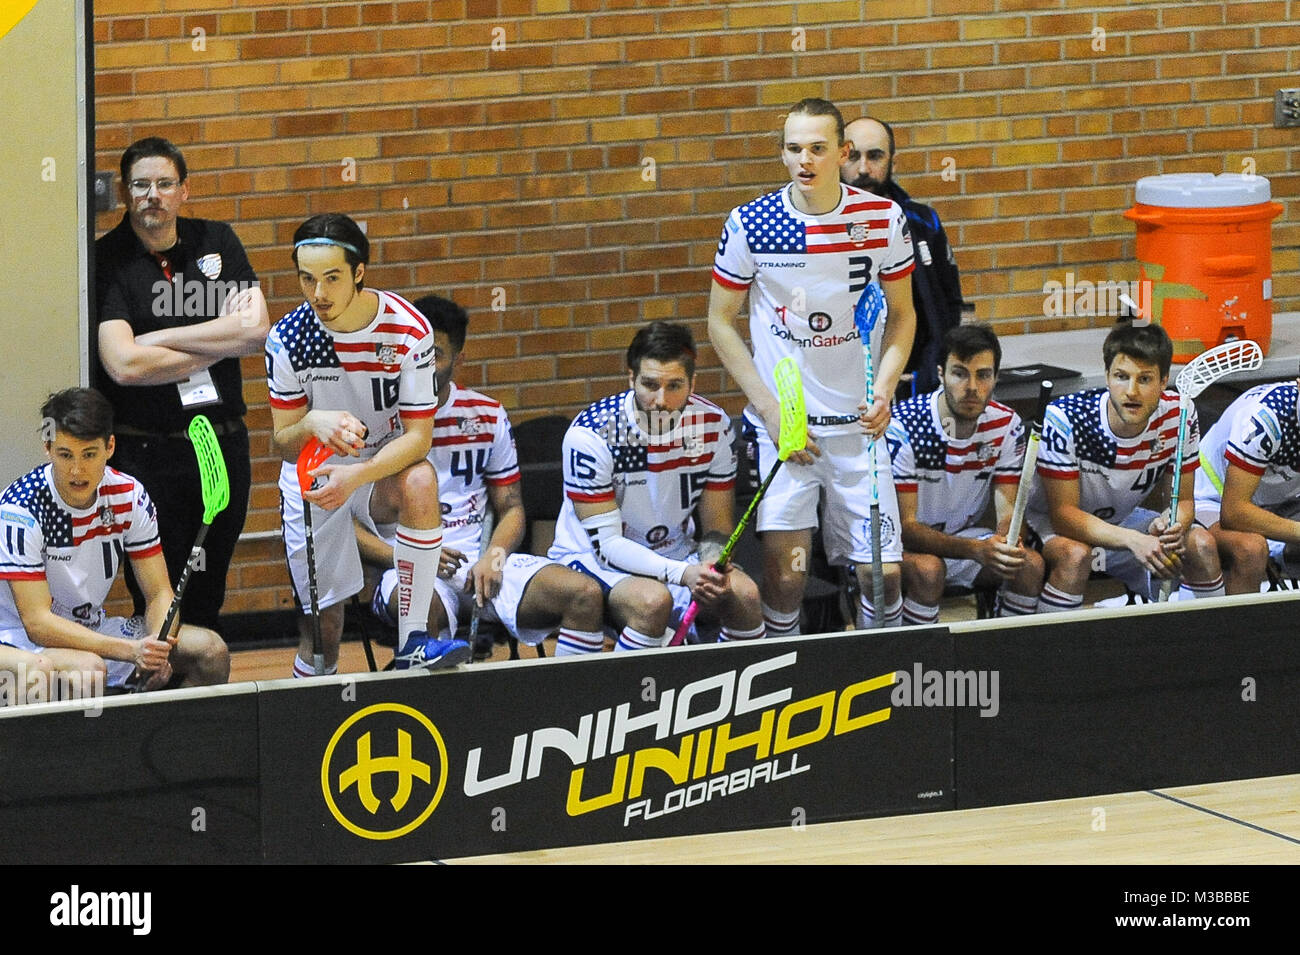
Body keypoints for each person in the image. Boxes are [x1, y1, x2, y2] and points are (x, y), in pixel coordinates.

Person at [708, 97, 918, 634]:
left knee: (883, 577)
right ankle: (782, 694)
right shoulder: (751, 222)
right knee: (786, 579)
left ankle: (884, 692)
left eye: (818, 148)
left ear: (842, 153)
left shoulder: (881, 219)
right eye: (794, 148)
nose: (805, 160)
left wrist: (887, 386)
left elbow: (903, 315)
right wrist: (772, 411)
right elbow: (719, 322)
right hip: (790, 428)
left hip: (860, 432)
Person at [266, 213, 466, 675]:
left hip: (375, 472)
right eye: (307, 279)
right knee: (323, 635)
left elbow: (419, 438)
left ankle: (414, 640)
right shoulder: (289, 339)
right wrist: (314, 422)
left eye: (332, 278)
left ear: (359, 273)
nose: (319, 293)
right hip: (313, 479)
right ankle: (312, 711)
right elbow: (283, 443)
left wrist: (356, 472)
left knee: (420, 478)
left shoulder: (407, 330)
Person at [357, 295, 606, 654]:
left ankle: (571, 706)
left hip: (481, 564)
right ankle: (439, 703)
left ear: (459, 359)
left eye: (435, 355)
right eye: (414, 353)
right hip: (406, 568)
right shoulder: (371, 420)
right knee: (419, 607)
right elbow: (345, 525)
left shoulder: (486, 415)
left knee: (584, 594)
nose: (421, 365)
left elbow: (512, 508)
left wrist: (495, 555)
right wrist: (405, 556)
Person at [95, 136, 269, 636]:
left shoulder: (216, 240)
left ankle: (200, 693)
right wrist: (222, 339)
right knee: (154, 590)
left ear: (184, 190)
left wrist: (164, 335)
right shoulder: (108, 259)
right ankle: (159, 695)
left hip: (220, 440)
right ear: (127, 193)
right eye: (141, 185)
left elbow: (256, 330)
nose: (154, 194)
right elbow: (124, 364)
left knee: (208, 587)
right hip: (146, 451)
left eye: (165, 184)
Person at [548, 322, 764, 652]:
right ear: (630, 378)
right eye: (650, 384)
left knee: (745, 595)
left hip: (679, 557)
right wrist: (683, 574)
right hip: (593, 561)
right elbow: (607, 546)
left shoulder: (713, 425)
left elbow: (717, 525)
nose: (660, 400)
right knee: (652, 601)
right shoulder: (592, 434)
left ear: (693, 382)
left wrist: (711, 565)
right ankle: (627, 702)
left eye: (675, 385)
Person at [0, 388, 228, 691]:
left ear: (110, 446)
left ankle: (169, 738)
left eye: (89, 454)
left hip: (93, 628)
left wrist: (158, 647)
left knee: (210, 651)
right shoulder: (22, 508)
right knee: (88, 671)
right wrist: (130, 652)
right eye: (65, 455)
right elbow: (37, 623)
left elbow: (159, 593)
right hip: (17, 637)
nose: (77, 470)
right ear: (48, 447)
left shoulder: (129, 496)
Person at [1027, 324, 1225, 610]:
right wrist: (1134, 541)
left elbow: (1183, 500)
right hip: (1056, 529)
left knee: (1201, 545)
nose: (1131, 391)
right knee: (1076, 555)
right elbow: (1064, 516)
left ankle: (1216, 643)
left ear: (1164, 380)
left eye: (1145, 379)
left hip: (1123, 523)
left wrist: (1172, 525)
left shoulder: (1180, 412)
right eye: (1121, 377)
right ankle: (1052, 651)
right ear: (1107, 377)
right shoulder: (1065, 418)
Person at [887, 325, 1044, 624]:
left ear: (996, 378)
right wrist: (976, 550)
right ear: (940, 374)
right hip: (906, 548)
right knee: (928, 570)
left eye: (983, 375)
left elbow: (1008, 512)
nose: (972, 387)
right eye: (960, 373)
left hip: (964, 542)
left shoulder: (1006, 424)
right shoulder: (905, 426)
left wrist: (1007, 543)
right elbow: (906, 528)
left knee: (1030, 565)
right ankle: (918, 664)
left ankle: (1010, 657)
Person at [841, 116, 965, 395]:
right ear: (839, 159)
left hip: (915, 387)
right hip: (842, 387)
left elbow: (949, 305)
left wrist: (929, 373)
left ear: (893, 163)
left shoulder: (923, 222)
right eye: (853, 156)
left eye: (875, 156)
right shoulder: (818, 229)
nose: (863, 168)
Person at [1192, 379, 1300, 594]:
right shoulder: (1266, 417)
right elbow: (1234, 513)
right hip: (1215, 498)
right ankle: (1239, 627)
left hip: (1278, 500)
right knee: (1250, 550)